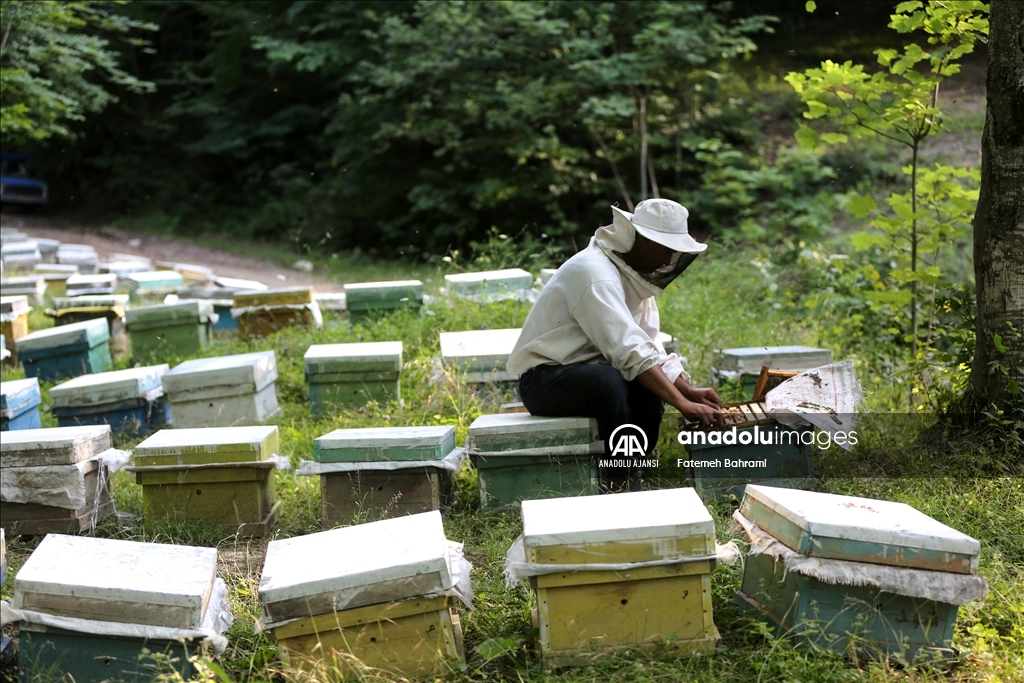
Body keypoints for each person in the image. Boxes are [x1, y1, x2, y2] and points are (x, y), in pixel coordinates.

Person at [507, 198, 722, 490]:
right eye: (666, 248)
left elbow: (648, 348)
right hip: (544, 381)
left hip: (589, 374)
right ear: (643, 241)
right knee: (609, 379)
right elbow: (628, 351)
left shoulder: (632, 278)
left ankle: (633, 469)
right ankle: (620, 481)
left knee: (645, 384)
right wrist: (682, 404)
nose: (670, 258)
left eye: (675, 251)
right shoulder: (593, 273)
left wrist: (687, 390)